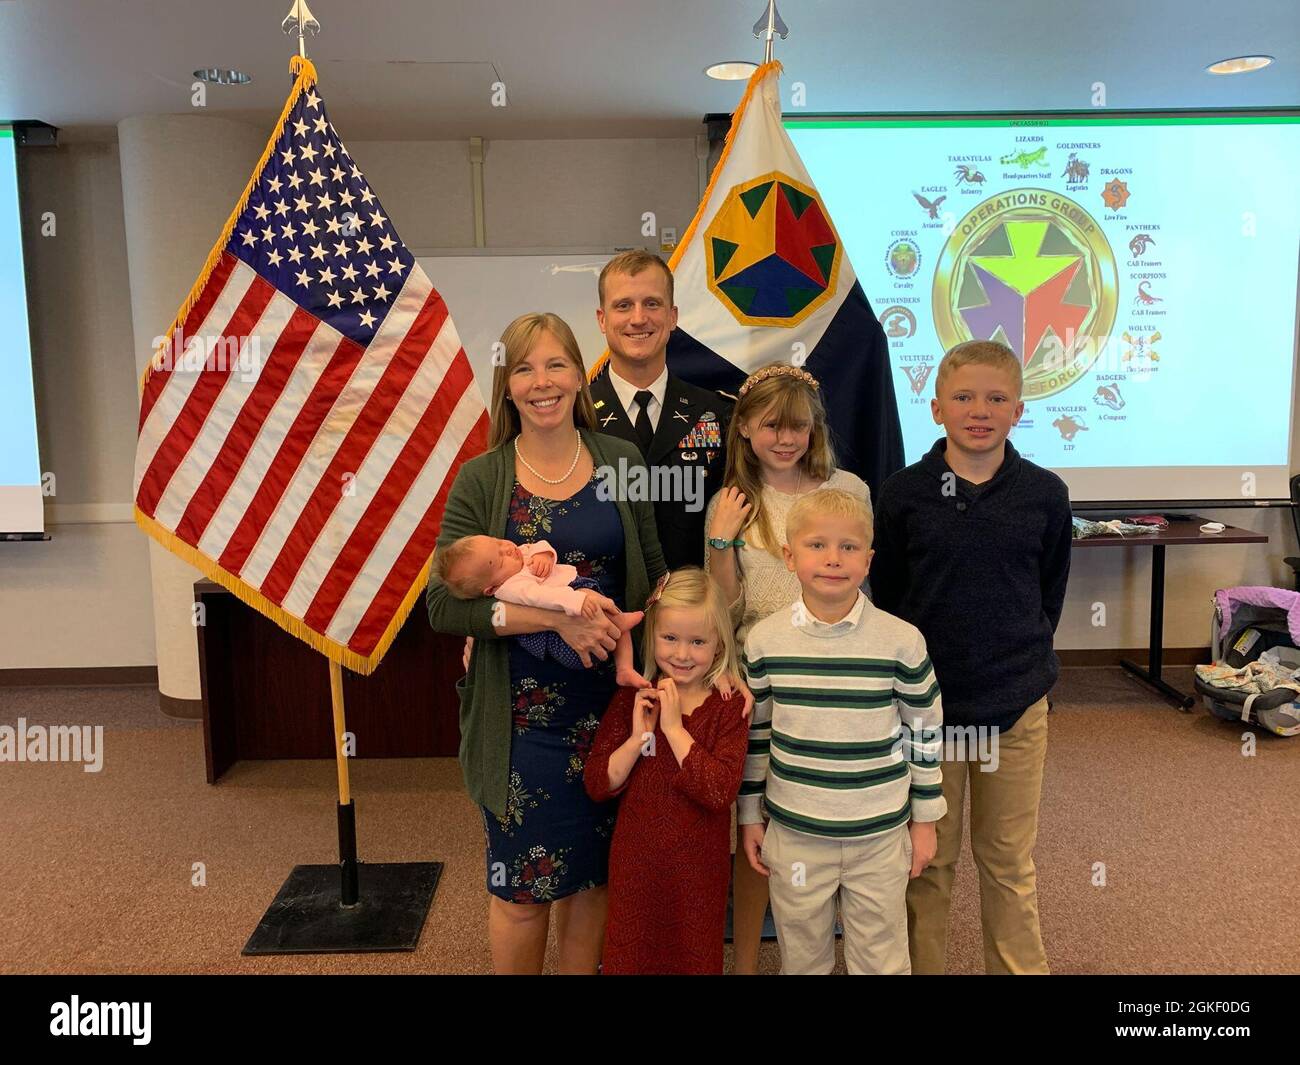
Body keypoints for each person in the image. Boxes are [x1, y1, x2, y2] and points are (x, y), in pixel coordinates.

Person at [425, 312, 667, 975]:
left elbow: (653, 572)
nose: (542, 381)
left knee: (593, 884)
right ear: (507, 386)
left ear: (577, 376)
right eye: (526, 368)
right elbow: (443, 603)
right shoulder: (482, 478)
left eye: (557, 364)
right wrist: (554, 621)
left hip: (612, 714)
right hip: (521, 726)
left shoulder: (621, 460)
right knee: (523, 891)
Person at [870, 339, 1073, 975]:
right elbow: (895, 598)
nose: (977, 410)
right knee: (927, 863)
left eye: (994, 398)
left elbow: (1049, 593)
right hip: (929, 714)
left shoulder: (1044, 493)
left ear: (1018, 409)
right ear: (936, 408)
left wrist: (1021, 666)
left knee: (1008, 861)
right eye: (963, 397)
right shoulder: (903, 495)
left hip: (1014, 708)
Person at [702, 361, 871, 974]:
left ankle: (840, 954)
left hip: (838, 681)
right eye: (770, 425)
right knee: (760, 831)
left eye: (797, 426)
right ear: (744, 426)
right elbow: (725, 609)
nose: (784, 438)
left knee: (837, 822)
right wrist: (721, 542)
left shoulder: (847, 490)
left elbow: (859, 584)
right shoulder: (733, 503)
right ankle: (745, 962)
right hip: (763, 680)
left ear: (814, 429)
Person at [738, 489, 944, 974]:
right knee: (803, 957)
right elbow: (757, 735)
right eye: (817, 545)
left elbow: (924, 734)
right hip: (796, 833)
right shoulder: (766, 640)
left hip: (879, 833)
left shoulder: (900, 640)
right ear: (789, 556)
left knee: (882, 959)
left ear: (869, 560)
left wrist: (926, 820)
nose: (833, 559)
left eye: (849, 547)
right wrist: (749, 814)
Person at [583, 568, 748, 974]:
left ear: (718, 644)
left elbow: (718, 790)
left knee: (691, 953)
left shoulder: (729, 707)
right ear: (651, 633)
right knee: (633, 955)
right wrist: (639, 739)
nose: (682, 654)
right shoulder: (632, 699)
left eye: (698, 642)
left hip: (698, 869)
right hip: (635, 863)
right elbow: (598, 784)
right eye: (670, 638)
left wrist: (673, 729)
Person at [589, 250, 733, 570]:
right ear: (602, 319)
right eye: (623, 305)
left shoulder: (717, 415)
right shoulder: (574, 414)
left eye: (652, 304)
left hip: (692, 609)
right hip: (600, 610)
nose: (638, 318)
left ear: (672, 316)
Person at [436, 534, 646, 686]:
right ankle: (619, 629)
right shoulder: (513, 588)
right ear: (491, 588)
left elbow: (536, 546)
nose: (508, 549)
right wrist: (576, 600)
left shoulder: (517, 556)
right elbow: (544, 597)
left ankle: (625, 669)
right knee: (604, 610)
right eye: (500, 560)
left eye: (498, 543)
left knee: (611, 615)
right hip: (561, 637)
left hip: (569, 606)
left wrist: (544, 554)